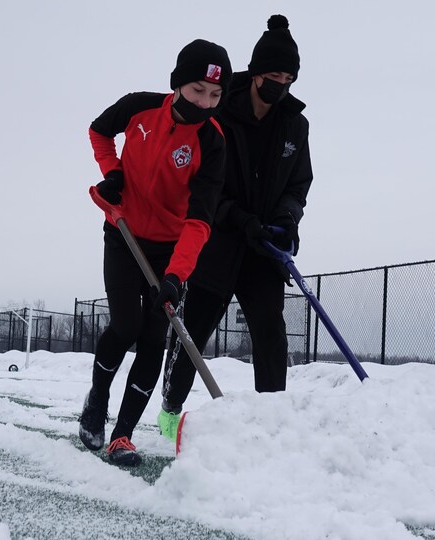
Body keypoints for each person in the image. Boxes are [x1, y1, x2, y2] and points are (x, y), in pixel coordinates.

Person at [78, 39, 232, 466]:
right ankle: (97, 399)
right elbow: (99, 131)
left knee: (152, 339)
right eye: (198, 90)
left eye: (215, 95)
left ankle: (122, 435)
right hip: (124, 233)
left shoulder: (212, 142)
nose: (205, 103)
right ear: (178, 84)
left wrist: (176, 275)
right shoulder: (139, 107)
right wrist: (113, 173)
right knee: (126, 324)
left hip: (169, 250)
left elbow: (199, 221)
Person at [158, 15, 312, 439]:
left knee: (271, 333)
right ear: (256, 72)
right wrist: (238, 218)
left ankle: (272, 421)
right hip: (217, 243)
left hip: (263, 248)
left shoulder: (295, 125)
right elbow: (202, 183)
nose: (280, 86)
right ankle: (170, 408)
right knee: (193, 332)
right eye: (273, 77)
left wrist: (286, 219)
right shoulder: (219, 113)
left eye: (288, 79)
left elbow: (298, 184)